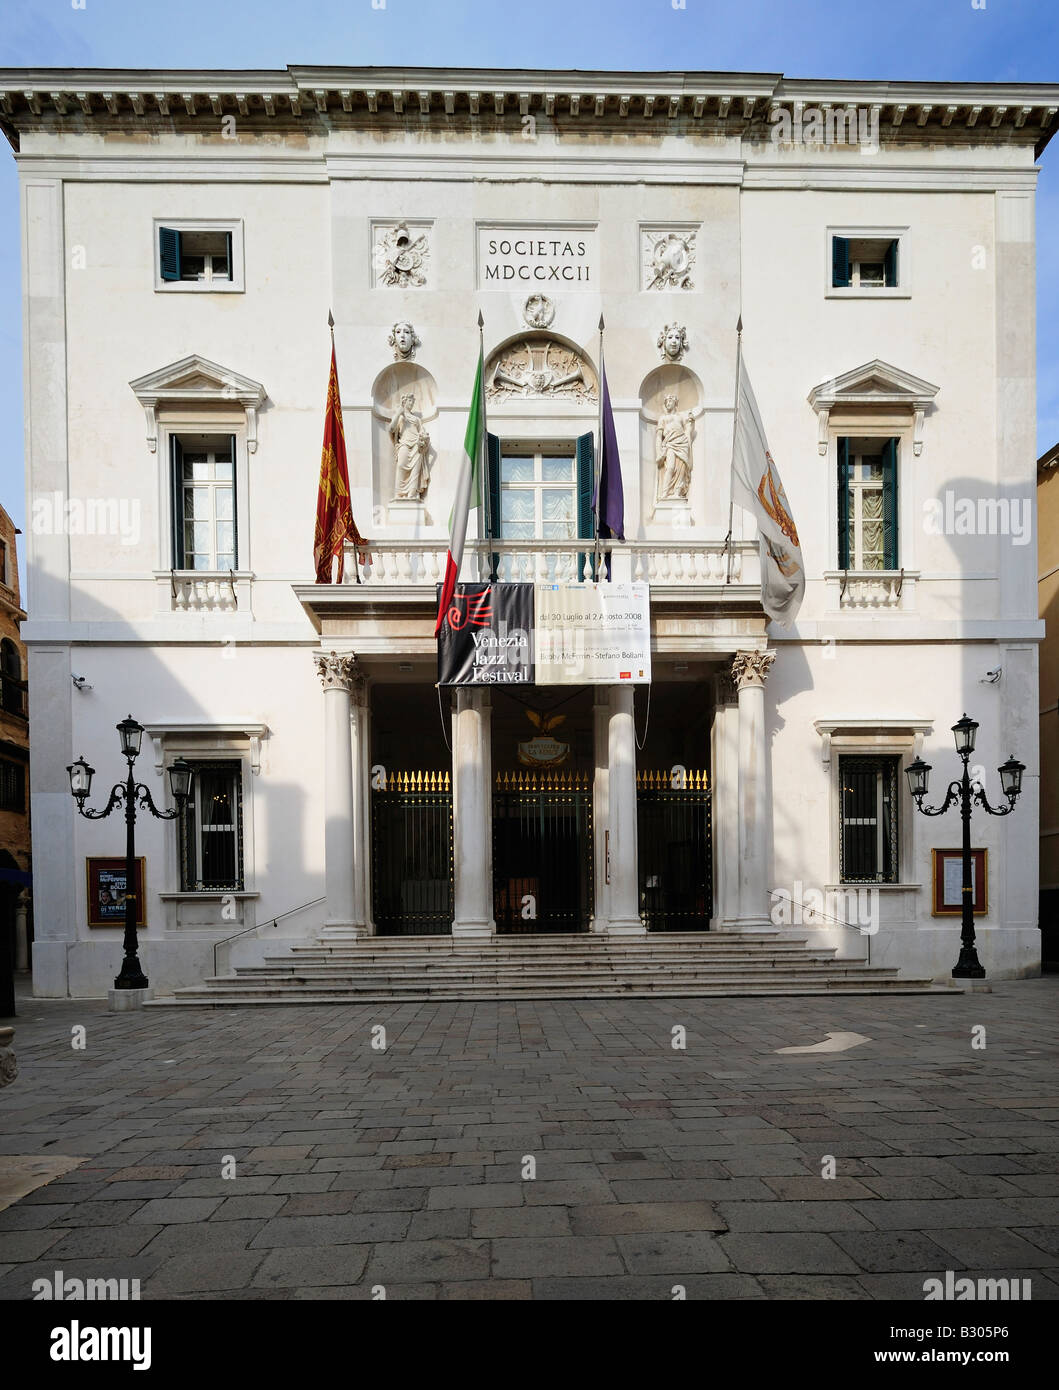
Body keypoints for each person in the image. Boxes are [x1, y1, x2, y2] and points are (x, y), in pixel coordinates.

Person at [655, 393, 703, 500]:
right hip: (670, 444)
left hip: (682, 443)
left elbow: (687, 432)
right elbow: (659, 436)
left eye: (670, 401)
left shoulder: (680, 418)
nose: (668, 403)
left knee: (681, 469)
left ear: (675, 403)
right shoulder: (663, 418)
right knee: (670, 467)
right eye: (666, 402)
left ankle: (677, 492)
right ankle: (665, 493)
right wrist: (659, 452)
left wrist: (692, 423)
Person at [390, 393, 431, 499]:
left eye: (413, 401)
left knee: (415, 471)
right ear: (404, 402)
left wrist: (424, 439)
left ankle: (412, 494)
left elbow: (422, 432)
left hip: (416, 445)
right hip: (404, 444)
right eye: (410, 401)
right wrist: (398, 414)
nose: (412, 403)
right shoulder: (400, 416)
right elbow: (391, 429)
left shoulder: (416, 419)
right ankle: (399, 493)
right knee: (401, 466)